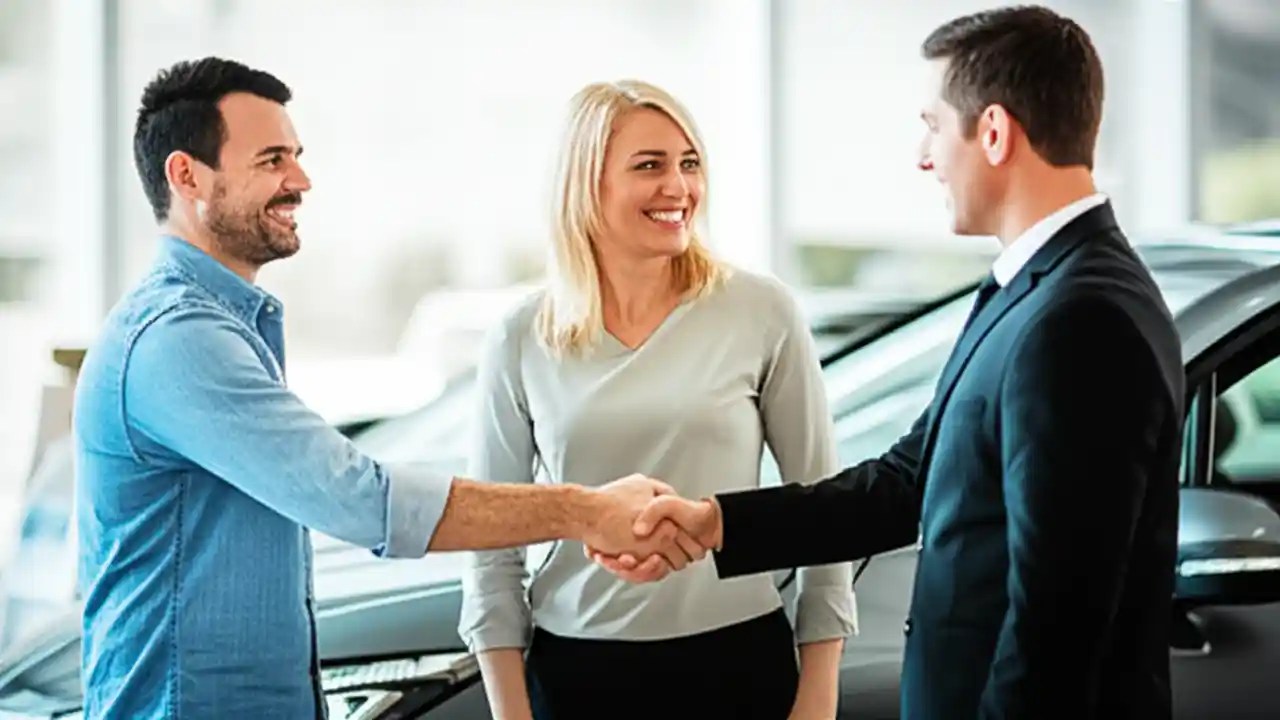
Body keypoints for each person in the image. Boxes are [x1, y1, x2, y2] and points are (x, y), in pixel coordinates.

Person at [595, 6, 1185, 720]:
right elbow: (906, 482)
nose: (923, 155)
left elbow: (1056, 627)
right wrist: (714, 521)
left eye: (933, 125)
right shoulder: (1034, 289)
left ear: (993, 133)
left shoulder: (1082, 321)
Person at [73, 57, 700, 720]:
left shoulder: (222, 324)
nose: (301, 180)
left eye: (297, 155)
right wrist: (586, 511)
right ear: (186, 175)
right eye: (272, 160)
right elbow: (360, 499)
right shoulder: (178, 338)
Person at [458, 80, 855, 720]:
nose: (679, 187)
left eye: (689, 163)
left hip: (741, 667)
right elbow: (492, 547)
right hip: (577, 677)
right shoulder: (521, 334)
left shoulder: (762, 311)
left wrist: (817, 697)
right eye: (650, 166)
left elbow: (824, 515)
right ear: (587, 183)